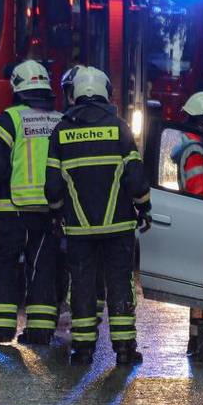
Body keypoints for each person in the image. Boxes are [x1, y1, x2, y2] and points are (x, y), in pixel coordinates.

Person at [48, 66, 150, 367]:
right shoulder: (120, 128)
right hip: (118, 227)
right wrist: (144, 208)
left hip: (79, 230)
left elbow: (52, 186)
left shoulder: (62, 132)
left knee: (81, 284)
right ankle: (124, 349)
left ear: (74, 93)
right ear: (106, 92)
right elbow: (135, 178)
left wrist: (57, 214)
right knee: (120, 283)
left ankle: (82, 350)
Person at [0, 59, 64, 345]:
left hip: (12, 211)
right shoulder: (60, 120)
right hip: (49, 212)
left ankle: (0, 329)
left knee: (2, 267)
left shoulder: (10, 119)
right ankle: (40, 331)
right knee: (43, 269)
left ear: (17, 88)